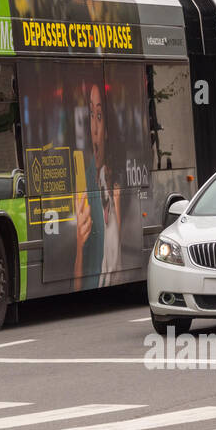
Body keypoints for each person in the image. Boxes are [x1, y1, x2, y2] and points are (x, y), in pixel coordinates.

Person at [74, 78, 123, 291]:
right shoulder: (83, 187)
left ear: (108, 128)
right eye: (91, 115)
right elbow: (76, 286)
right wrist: (79, 244)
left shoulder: (117, 188)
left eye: (100, 116)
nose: (94, 127)